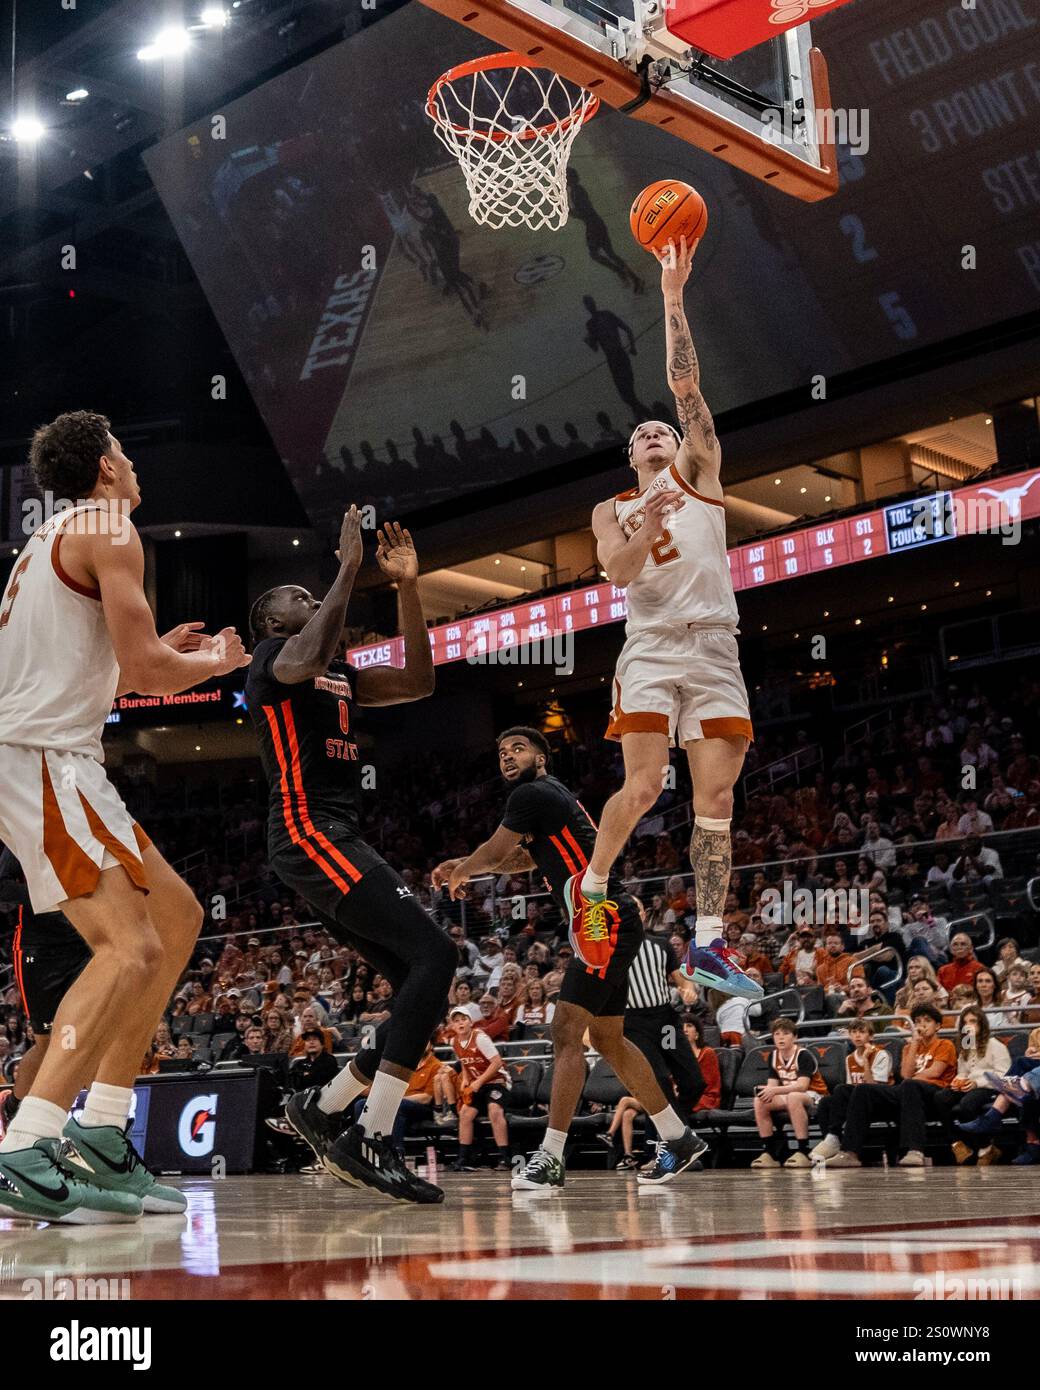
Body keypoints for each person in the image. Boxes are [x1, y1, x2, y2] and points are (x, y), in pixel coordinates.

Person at [0, 412, 250, 1223]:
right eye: (126, 452)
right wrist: (210, 662)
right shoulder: (112, 525)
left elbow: (104, 668)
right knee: (128, 944)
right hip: (39, 758)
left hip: (59, 753)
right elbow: (150, 669)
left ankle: (104, 1133)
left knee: (174, 917)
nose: (135, 465)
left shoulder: (58, 536)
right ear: (106, 466)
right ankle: (25, 1143)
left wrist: (141, 661)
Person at [568, 237, 759, 1005]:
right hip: (648, 647)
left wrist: (672, 298)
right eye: (641, 436)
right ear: (630, 456)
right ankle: (595, 890)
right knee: (644, 787)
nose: (655, 434)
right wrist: (645, 517)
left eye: (664, 432)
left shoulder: (702, 467)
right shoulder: (611, 506)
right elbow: (617, 572)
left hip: (715, 645)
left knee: (716, 802)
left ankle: (710, 946)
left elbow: (686, 387)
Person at [246, 510, 455, 1205]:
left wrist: (407, 589)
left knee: (421, 987)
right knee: (437, 956)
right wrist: (343, 570)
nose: (312, 604)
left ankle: (326, 1105)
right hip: (308, 831)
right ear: (274, 623)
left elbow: (421, 681)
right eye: (297, 601)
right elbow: (307, 650)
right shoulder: (272, 664)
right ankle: (370, 1135)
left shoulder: (342, 674)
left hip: (336, 835)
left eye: (316, 597)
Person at [433, 727, 706, 1191]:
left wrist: (463, 869)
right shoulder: (546, 800)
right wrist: (465, 862)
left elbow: (498, 851)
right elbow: (522, 860)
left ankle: (551, 1156)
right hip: (602, 917)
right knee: (608, 1039)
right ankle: (678, 1138)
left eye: (518, 748)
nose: (507, 756)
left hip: (601, 917)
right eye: (501, 751)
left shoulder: (533, 794)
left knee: (565, 1031)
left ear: (542, 758)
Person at [826, 1004, 957, 1168]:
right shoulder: (909, 1047)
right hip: (908, 1091)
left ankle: (915, 1151)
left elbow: (934, 1072)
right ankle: (850, 1152)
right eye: (917, 1021)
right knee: (863, 1089)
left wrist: (910, 1080)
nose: (922, 1025)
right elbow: (905, 1074)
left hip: (935, 1091)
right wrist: (915, 1043)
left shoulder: (945, 1044)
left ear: (938, 1025)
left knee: (910, 1085)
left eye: (927, 1021)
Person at [750, 1017, 828, 1169]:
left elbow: (802, 1086)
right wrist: (766, 1091)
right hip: (790, 1093)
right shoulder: (773, 1056)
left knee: (793, 1097)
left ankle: (803, 1151)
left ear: (795, 1037)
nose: (780, 1037)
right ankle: (770, 1153)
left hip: (815, 1094)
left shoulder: (803, 1055)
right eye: (777, 1034)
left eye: (785, 1033)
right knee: (760, 1100)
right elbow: (772, 1085)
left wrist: (774, 1090)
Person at [810, 1018, 893, 1161]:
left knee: (842, 1089)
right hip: (858, 1101)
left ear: (871, 1036)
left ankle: (834, 1137)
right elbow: (850, 1087)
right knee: (826, 1103)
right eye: (854, 1032)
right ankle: (832, 1141)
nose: (857, 1036)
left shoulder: (881, 1055)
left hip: (880, 1100)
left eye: (862, 1032)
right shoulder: (849, 1058)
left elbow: (873, 1087)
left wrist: (866, 1060)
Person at [447, 1007, 514, 1171]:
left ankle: (505, 1158)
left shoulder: (480, 1038)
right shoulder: (455, 1042)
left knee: (494, 1110)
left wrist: (478, 1082)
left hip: (498, 1080)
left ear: (470, 1022)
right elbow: (465, 1062)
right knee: (465, 1113)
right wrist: (466, 1079)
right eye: (456, 1021)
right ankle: (464, 1158)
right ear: (452, 1026)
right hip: (478, 1083)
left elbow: (497, 1062)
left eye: (463, 1019)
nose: (460, 1023)